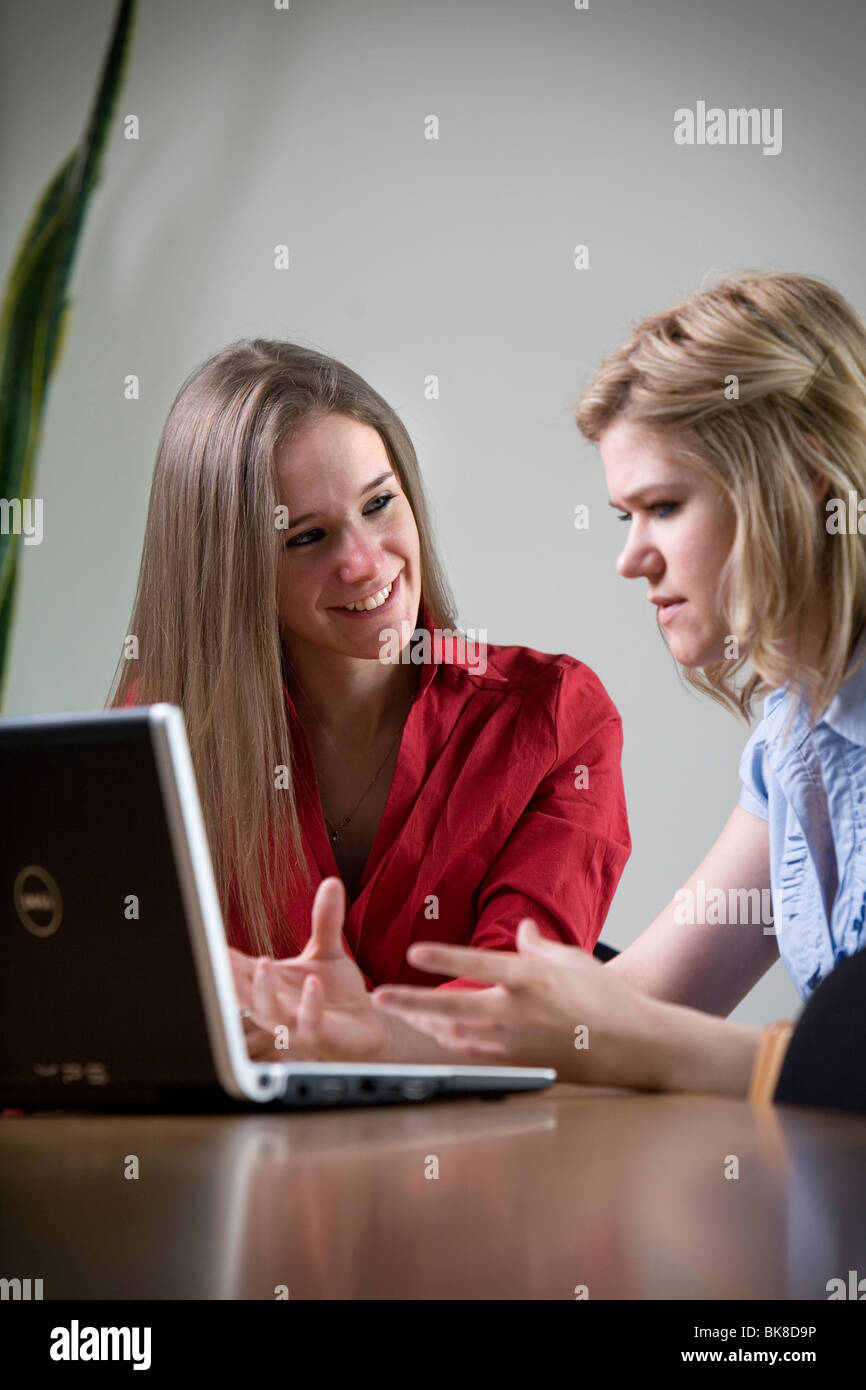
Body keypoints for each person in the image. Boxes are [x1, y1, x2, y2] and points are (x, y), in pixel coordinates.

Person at [273, 270, 866, 1110]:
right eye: (626, 517)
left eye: (664, 505)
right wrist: (376, 1033)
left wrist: (648, 1045)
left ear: (805, 478)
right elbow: (645, 999)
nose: (631, 557)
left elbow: (659, 1033)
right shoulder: (794, 738)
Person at [109, 340, 630, 1063]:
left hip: (489, 1162)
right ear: (230, 572)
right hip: (237, 1164)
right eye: (307, 537)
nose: (364, 562)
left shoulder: (553, 718)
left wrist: (347, 1039)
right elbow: (106, 1013)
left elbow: (524, 1005)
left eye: (379, 504)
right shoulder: (150, 741)